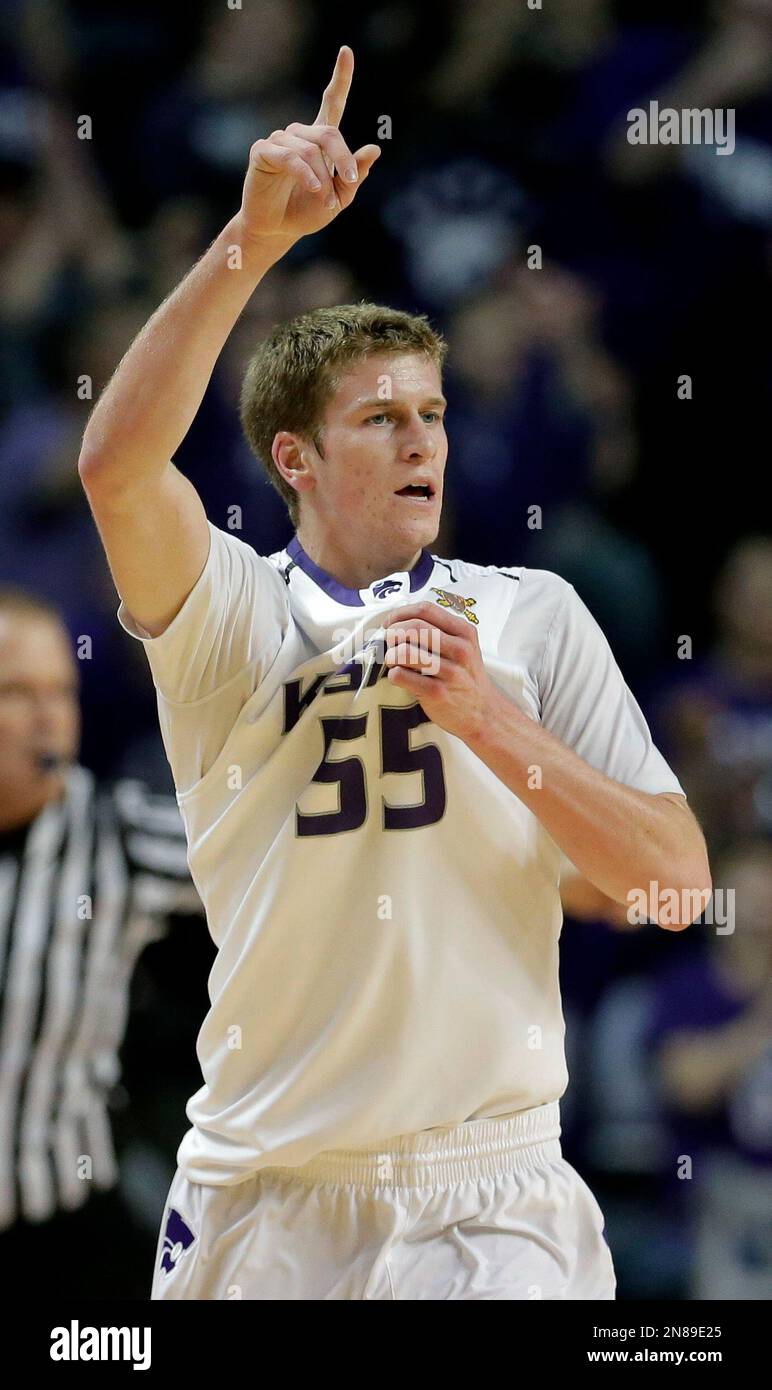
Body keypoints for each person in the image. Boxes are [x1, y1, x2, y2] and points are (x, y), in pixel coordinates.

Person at [78, 45, 712, 1301]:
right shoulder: (232, 616)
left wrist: (488, 718)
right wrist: (249, 248)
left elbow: (676, 888)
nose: (422, 437)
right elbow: (118, 469)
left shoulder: (533, 614)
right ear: (294, 458)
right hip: (263, 1188)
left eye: (430, 413)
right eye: (381, 418)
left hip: (490, 1191)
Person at [0, 585, 203, 1296]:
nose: (49, 716)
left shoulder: (117, 838)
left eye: (63, 690)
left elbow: (276, 866)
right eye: (18, 692)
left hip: (67, 1234)